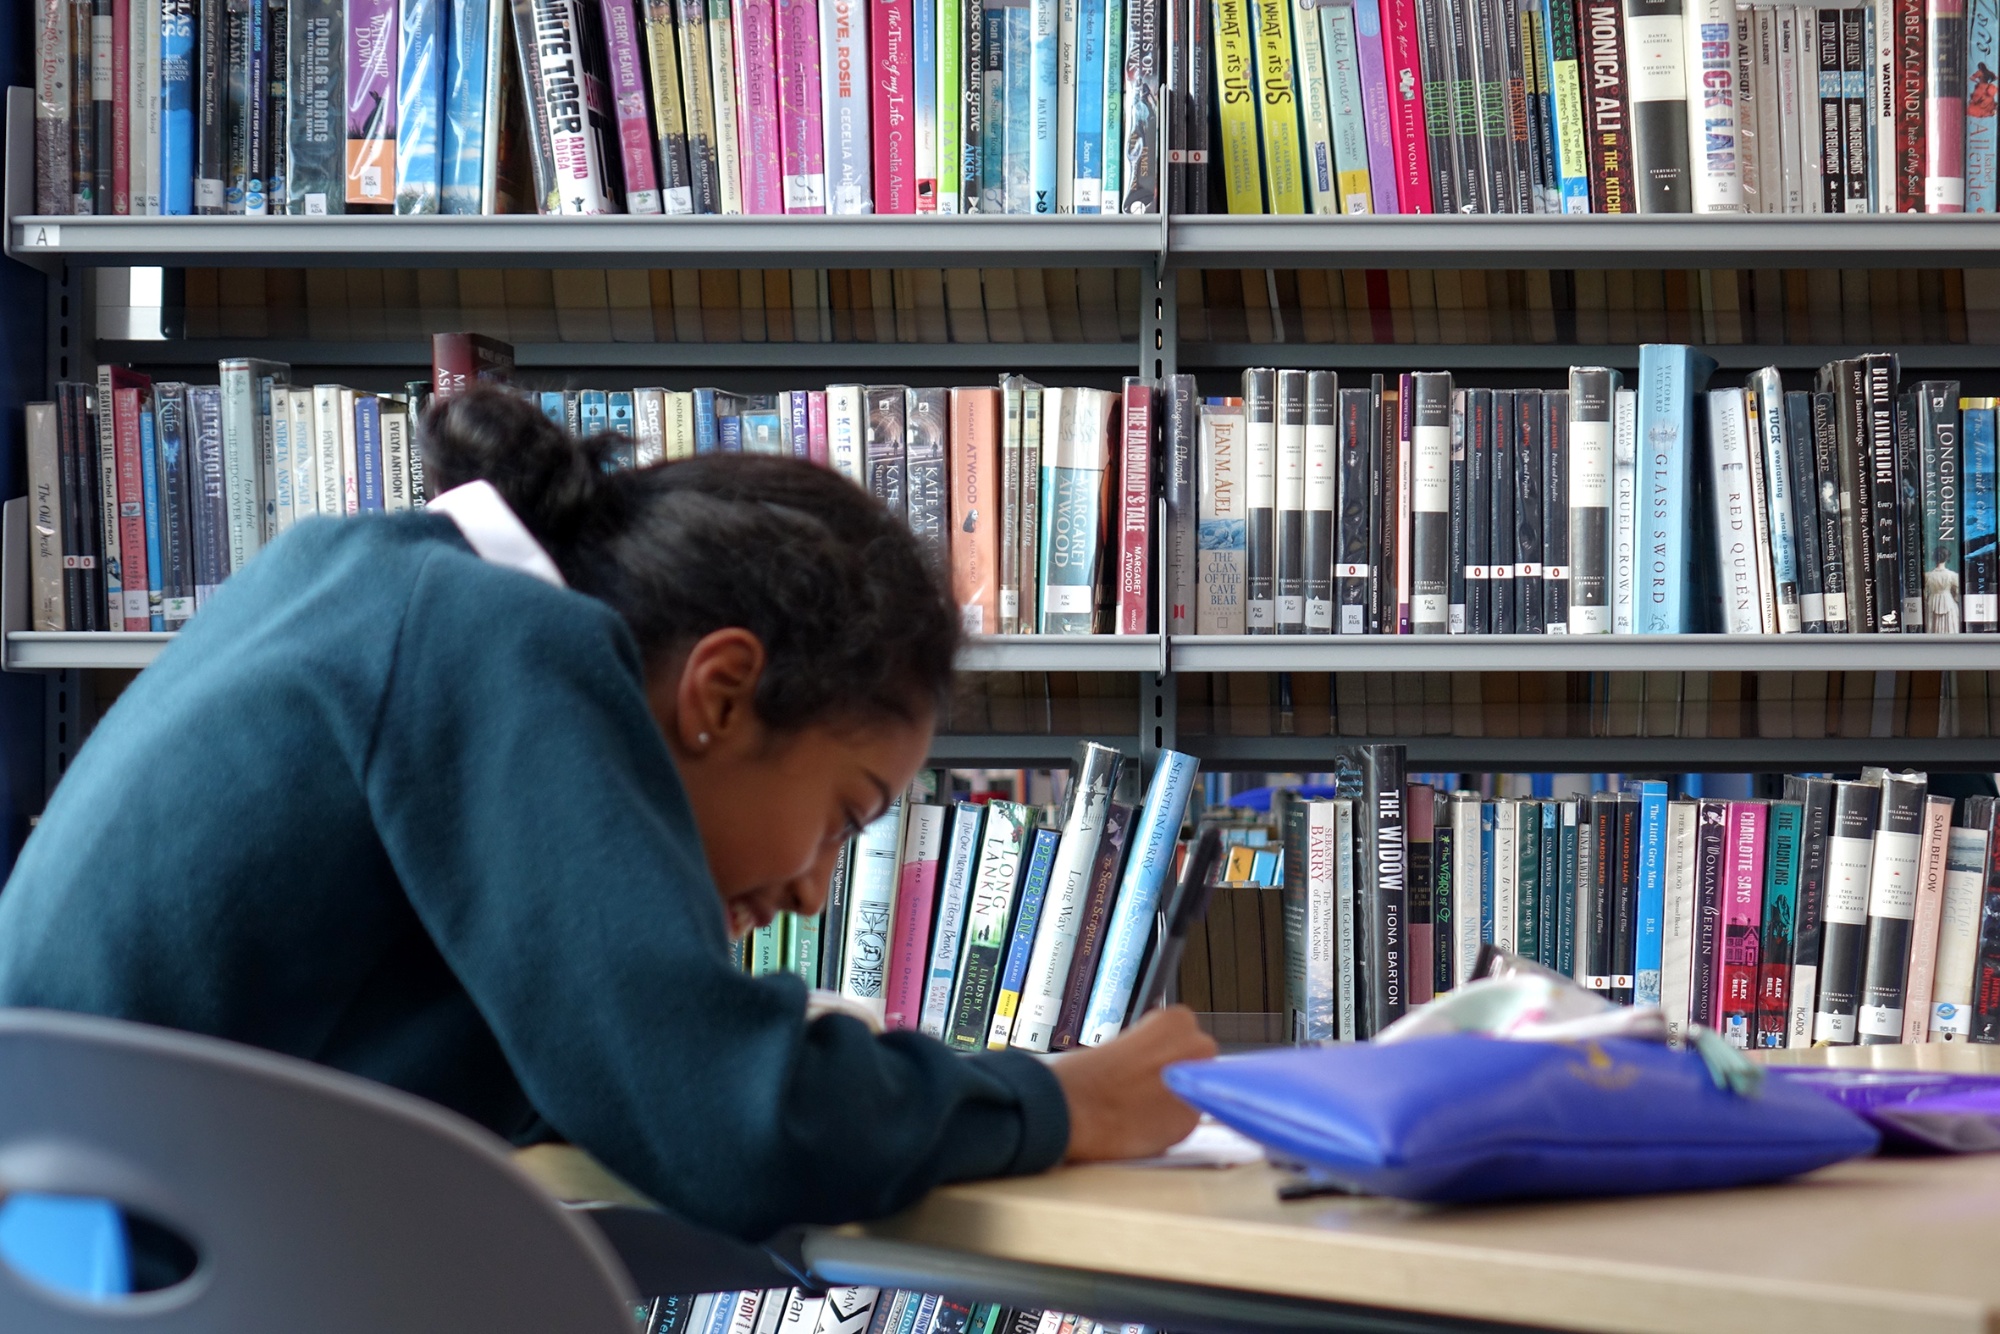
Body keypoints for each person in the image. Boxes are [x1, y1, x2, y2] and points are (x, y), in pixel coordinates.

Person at [0, 386, 1215, 1242]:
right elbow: (731, 1123)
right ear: (720, 692)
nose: (811, 887)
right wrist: (1069, 1099)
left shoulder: (364, 579)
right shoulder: (493, 640)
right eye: (844, 814)